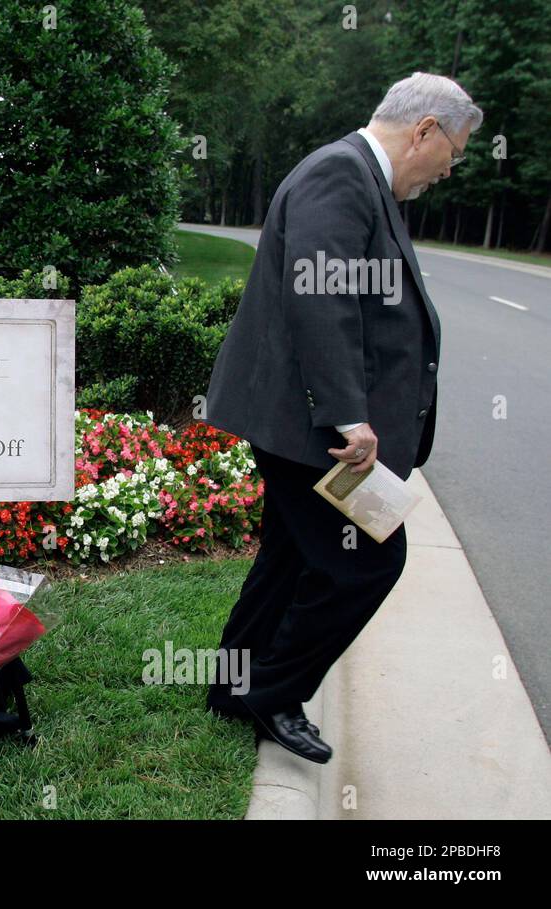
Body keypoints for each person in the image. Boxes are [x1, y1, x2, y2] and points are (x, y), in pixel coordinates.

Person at [202, 73, 482, 764]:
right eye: (455, 151)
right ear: (424, 130)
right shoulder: (342, 175)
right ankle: (272, 690)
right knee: (370, 563)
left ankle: (232, 683)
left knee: (289, 554)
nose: (452, 167)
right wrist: (348, 414)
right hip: (315, 432)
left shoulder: (363, 180)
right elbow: (319, 299)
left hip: (305, 426)